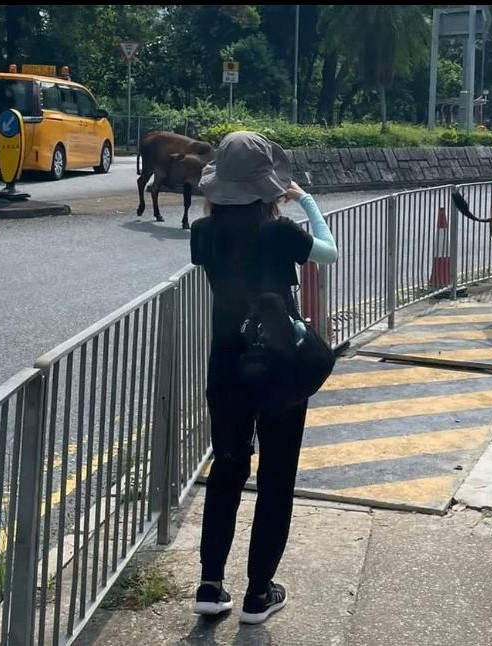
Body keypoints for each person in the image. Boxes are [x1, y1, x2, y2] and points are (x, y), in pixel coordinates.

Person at [187, 130, 338, 624]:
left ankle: (210, 586)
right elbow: (329, 252)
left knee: (227, 468)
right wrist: (307, 201)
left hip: (226, 365)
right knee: (276, 477)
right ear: (267, 186)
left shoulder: (203, 232)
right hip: (279, 367)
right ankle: (258, 594)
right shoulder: (280, 232)